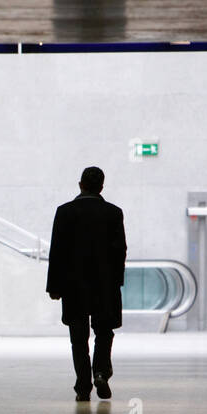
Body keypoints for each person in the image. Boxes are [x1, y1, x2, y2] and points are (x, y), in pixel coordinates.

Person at [47, 166, 127, 401]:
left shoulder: (64, 212)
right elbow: (120, 250)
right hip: (104, 284)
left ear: (80, 184)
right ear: (101, 187)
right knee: (104, 331)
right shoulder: (114, 213)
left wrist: (54, 286)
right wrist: (116, 281)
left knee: (78, 336)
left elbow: (57, 252)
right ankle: (100, 372)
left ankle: (83, 384)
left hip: (74, 285)